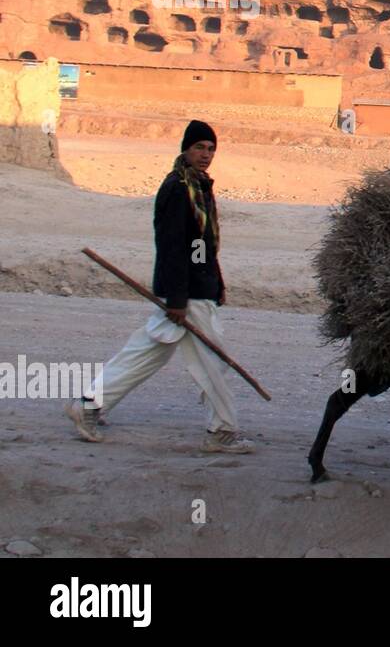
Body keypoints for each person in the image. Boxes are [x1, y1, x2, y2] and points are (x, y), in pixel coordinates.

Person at [66, 120, 254, 453]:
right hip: (187, 295)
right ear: (185, 149)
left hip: (195, 289)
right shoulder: (178, 189)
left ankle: (89, 406)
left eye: (211, 149)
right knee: (214, 363)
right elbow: (172, 247)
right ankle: (222, 431)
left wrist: (216, 282)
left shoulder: (199, 188)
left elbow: (202, 247)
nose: (206, 154)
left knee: (145, 354)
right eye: (199, 147)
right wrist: (180, 299)